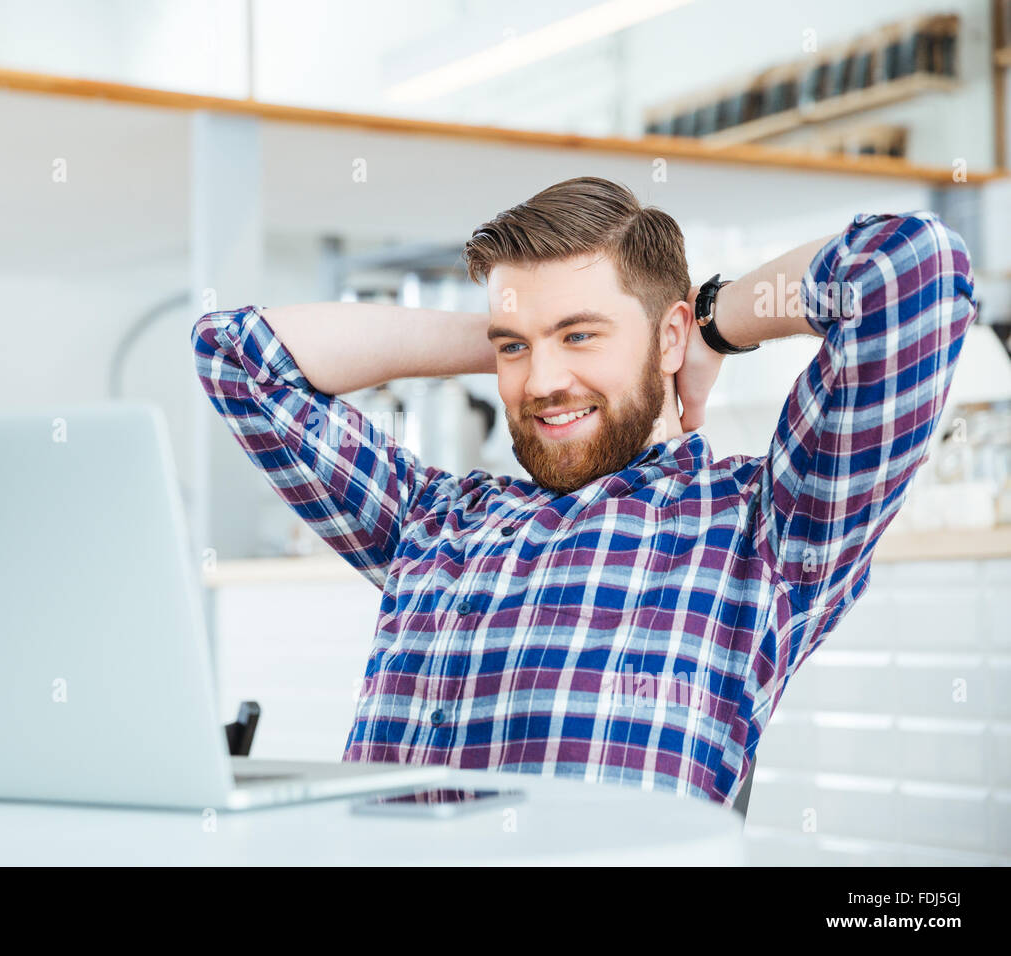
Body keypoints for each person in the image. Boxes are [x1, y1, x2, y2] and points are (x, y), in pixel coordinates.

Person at [190, 177, 976, 807]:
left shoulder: (762, 530)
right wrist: (509, 334)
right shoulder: (434, 519)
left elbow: (913, 269)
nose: (542, 382)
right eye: (516, 350)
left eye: (581, 334)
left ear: (667, 337)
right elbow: (236, 355)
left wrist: (713, 322)